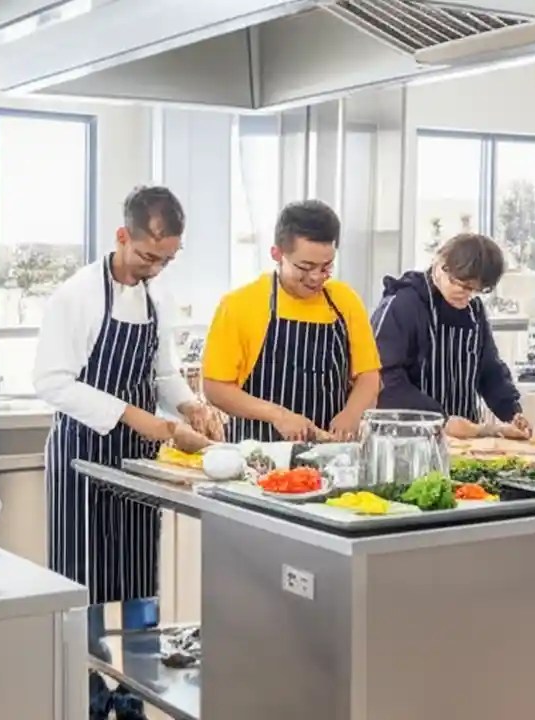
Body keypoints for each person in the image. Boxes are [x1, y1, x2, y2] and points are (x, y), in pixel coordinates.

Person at [33, 185, 219, 719]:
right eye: (147, 256)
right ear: (122, 236)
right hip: (81, 461)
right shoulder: (76, 295)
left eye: (166, 259)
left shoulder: (155, 296)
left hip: (138, 465)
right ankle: (89, 697)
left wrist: (190, 407)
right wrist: (142, 420)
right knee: (85, 586)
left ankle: (135, 697)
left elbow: (160, 374)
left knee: (139, 582)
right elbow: (51, 382)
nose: (155, 268)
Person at [202, 199, 381, 442]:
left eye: (326, 267)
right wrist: (278, 415)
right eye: (305, 267)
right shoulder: (239, 305)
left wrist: (351, 414)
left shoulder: (345, 300)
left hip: (332, 453)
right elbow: (216, 388)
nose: (316, 277)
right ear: (277, 254)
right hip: (258, 456)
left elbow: (369, 376)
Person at [371, 233, 530, 439]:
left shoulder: (474, 311)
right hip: (408, 439)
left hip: (466, 441)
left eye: (475, 290)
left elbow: (489, 370)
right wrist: (440, 419)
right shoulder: (402, 305)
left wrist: (512, 412)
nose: (467, 295)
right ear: (440, 263)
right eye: (461, 285)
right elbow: (384, 378)